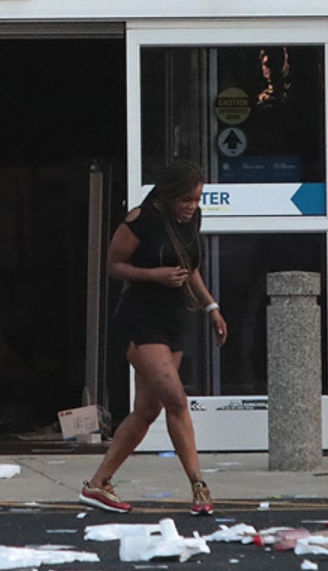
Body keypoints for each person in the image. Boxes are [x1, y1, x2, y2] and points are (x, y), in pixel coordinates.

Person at [80, 161, 229, 516]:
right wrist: (154, 275)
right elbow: (114, 265)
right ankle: (198, 485)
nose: (191, 206)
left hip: (174, 318)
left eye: (196, 199)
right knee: (176, 398)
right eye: (185, 200)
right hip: (139, 319)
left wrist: (211, 307)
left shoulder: (192, 219)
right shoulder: (140, 219)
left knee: (147, 410)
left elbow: (189, 266)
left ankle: (98, 484)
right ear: (167, 196)